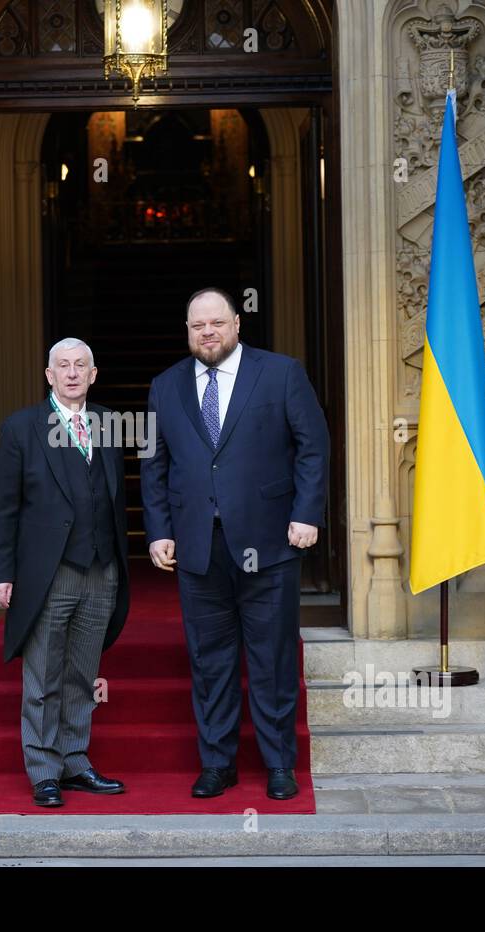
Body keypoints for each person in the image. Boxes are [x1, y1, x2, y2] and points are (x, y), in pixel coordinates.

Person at [141, 288, 330, 800]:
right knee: (209, 661)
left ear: (237, 324)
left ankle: (278, 765)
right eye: (198, 325)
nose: (208, 332)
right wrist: (158, 530)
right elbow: (153, 464)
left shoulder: (281, 373)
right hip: (199, 549)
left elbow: (313, 447)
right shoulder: (165, 386)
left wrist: (307, 514)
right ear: (187, 330)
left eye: (217, 323)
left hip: (271, 542)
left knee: (272, 659)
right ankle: (217, 763)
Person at [0, 337, 131, 807]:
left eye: (80, 366)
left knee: (82, 673)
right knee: (44, 674)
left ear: (93, 374)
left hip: (101, 568)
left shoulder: (109, 423)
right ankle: (44, 769)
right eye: (62, 366)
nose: (71, 373)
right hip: (49, 572)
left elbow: (111, 496)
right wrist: (1, 573)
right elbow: (3, 508)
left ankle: (74, 760)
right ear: (49, 375)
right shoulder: (22, 428)